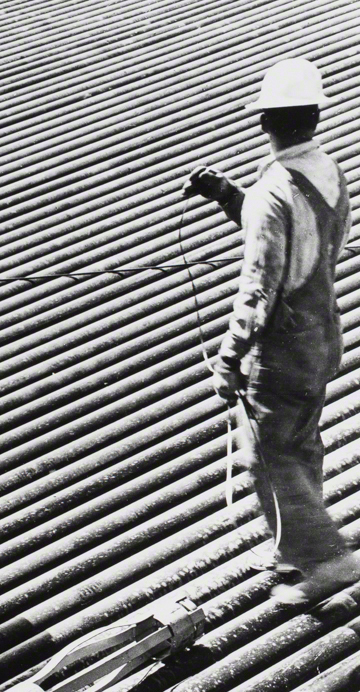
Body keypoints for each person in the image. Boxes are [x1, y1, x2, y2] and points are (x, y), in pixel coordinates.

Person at [183, 58, 359, 604]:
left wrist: (231, 356)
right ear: (314, 117)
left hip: (280, 347)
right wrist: (231, 196)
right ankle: (294, 549)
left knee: (267, 456)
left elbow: (261, 284)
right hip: (322, 336)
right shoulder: (328, 172)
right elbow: (298, 243)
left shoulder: (273, 192)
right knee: (300, 442)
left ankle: (327, 561)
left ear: (265, 122)